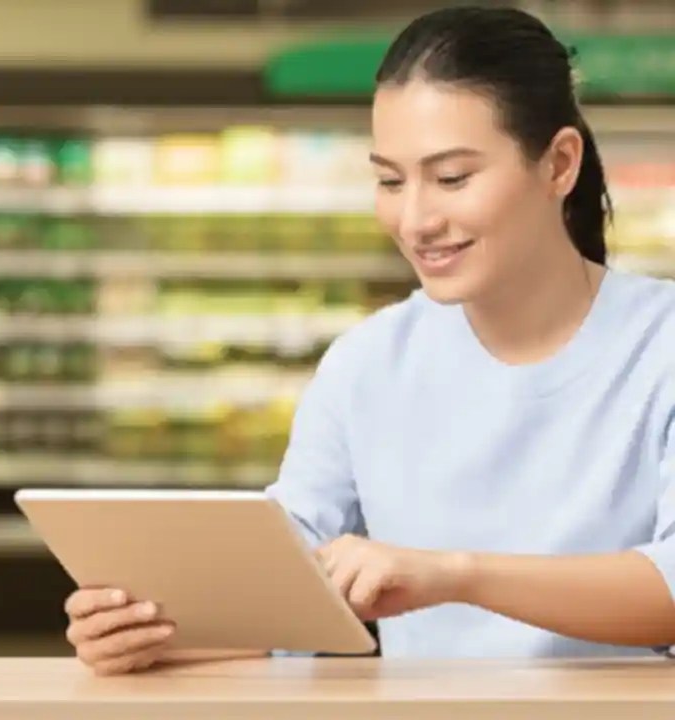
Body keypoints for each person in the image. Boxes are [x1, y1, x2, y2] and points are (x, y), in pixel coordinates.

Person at [63, 6, 675, 674]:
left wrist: (454, 575)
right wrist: (150, 627)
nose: (415, 219)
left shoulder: (658, 345)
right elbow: (284, 584)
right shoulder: (369, 363)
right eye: (389, 180)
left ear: (559, 164)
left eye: (451, 178)